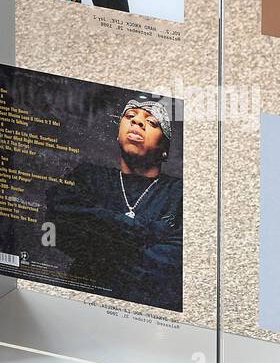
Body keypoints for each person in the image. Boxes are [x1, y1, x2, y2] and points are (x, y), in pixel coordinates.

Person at [43, 96, 183, 311]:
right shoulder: (88, 176)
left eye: (152, 122)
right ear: (118, 135)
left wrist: (103, 237)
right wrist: (151, 230)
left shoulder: (179, 192)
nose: (137, 122)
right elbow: (59, 228)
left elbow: (176, 260)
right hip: (82, 305)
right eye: (130, 116)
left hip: (151, 313)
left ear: (164, 148)